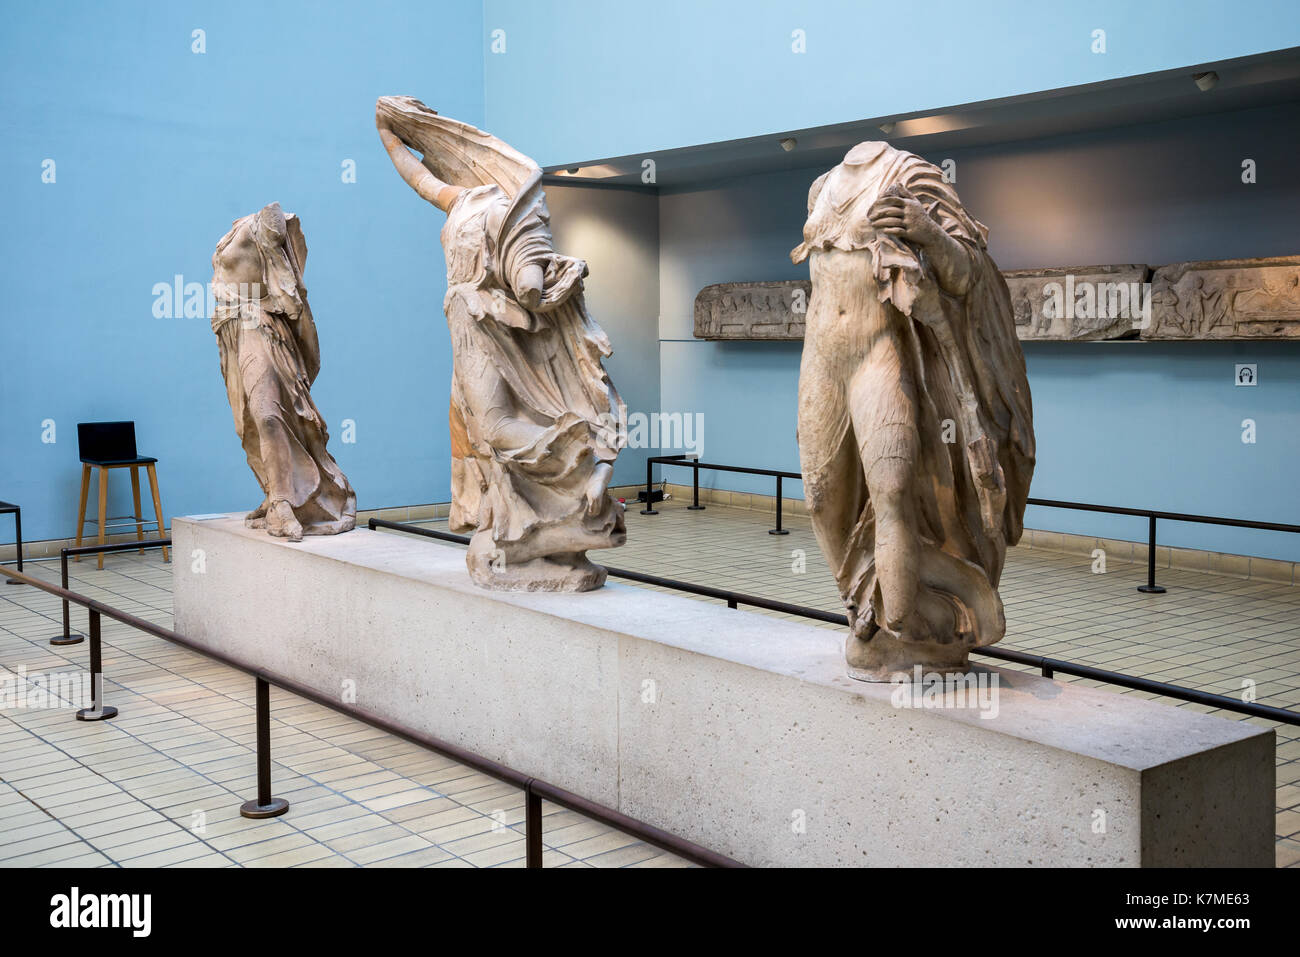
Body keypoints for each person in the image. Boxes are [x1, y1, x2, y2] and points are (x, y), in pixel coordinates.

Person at [791, 143, 1034, 679]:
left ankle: (906, 626)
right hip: (822, 359)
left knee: (893, 489)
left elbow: (967, 274)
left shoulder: (913, 175)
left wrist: (926, 229)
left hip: (880, 353)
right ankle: (866, 608)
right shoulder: (821, 188)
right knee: (820, 495)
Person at [376, 97, 625, 591]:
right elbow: (420, 180)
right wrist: (392, 135)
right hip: (465, 331)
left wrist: (544, 279)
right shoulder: (464, 202)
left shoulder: (510, 214)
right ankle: (515, 527)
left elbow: (529, 282)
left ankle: (581, 474)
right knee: (475, 432)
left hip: (492, 332)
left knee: (492, 426)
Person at [210, 203, 355, 541]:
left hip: (257, 327)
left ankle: (283, 504)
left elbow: (287, 286)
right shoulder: (234, 230)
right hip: (229, 331)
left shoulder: (267, 220)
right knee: (247, 422)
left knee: (268, 414)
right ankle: (275, 491)